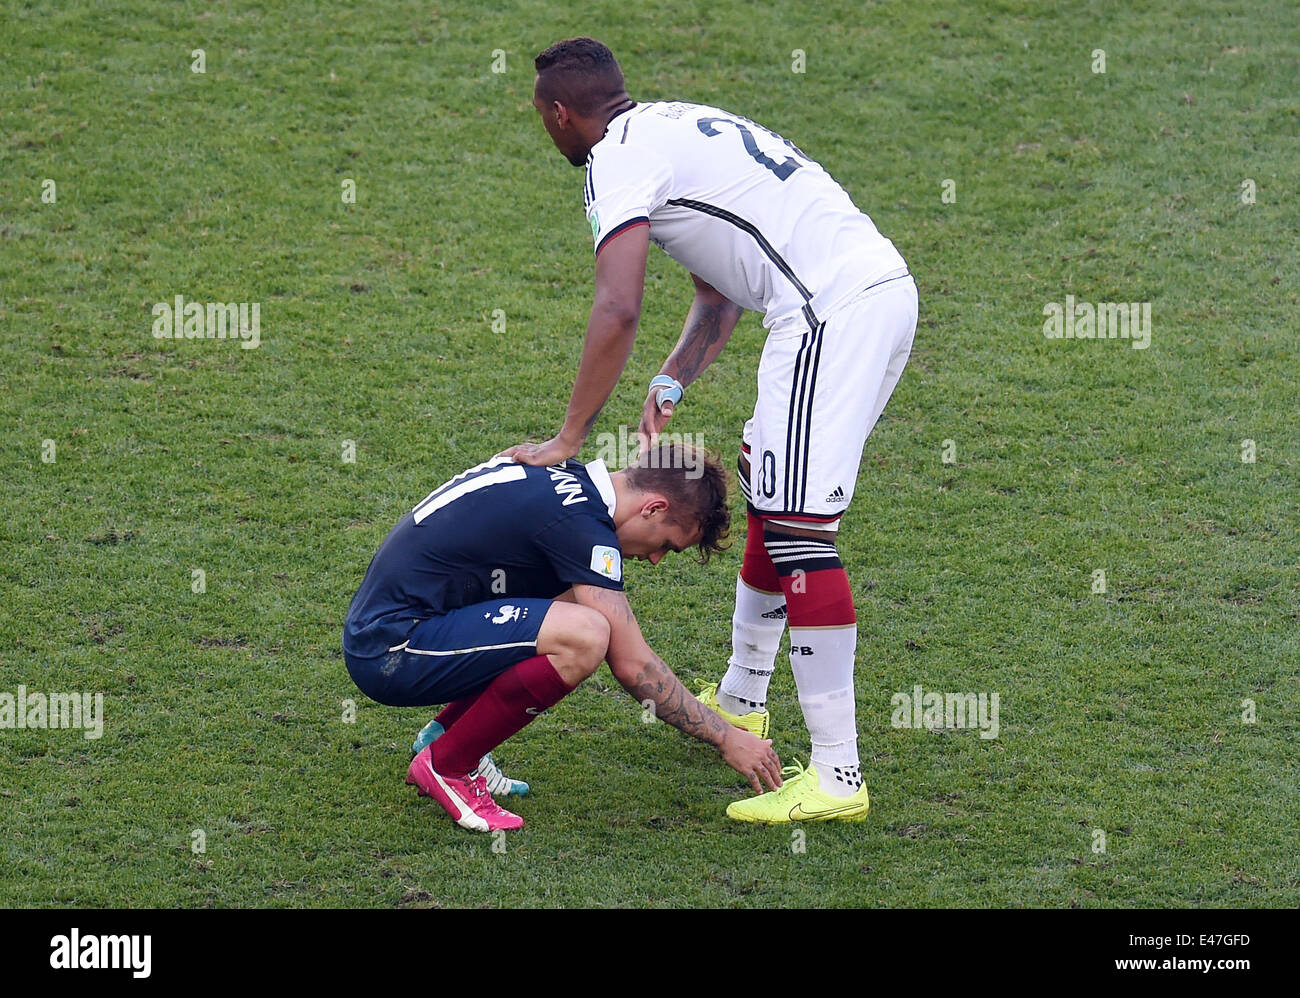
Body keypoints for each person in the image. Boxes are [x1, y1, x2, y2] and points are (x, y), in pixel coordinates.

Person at [501, 37, 918, 824]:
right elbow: (722, 293)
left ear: (560, 114)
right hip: (865, 291)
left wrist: (568, 436)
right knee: (769, 487)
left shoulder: (613, 162)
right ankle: (742, 698)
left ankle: (837, 776)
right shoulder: (669, 125)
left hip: (831, 309)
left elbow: (617, 304)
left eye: (542, 121)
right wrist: (673, 378)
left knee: (800, 534)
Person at [343, 443, 782, 832]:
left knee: (580, 603)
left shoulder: (563, 472)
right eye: (666, 544)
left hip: (396, 625)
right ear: (653, 508)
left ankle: (447, 734)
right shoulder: (582, 526)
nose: (654, 559)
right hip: (391, 650)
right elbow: (633, 665)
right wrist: (726, 737)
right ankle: (448, 766)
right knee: (587, 634)